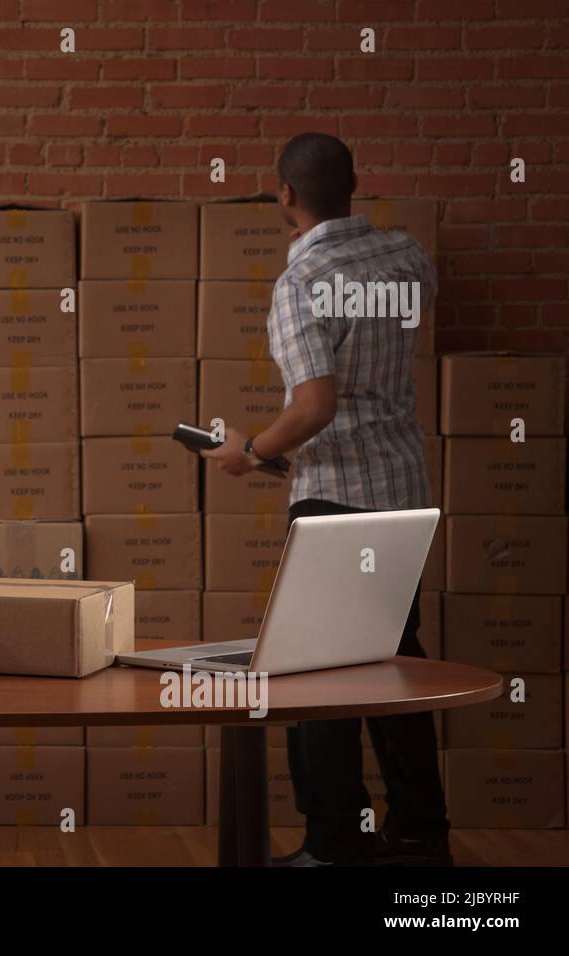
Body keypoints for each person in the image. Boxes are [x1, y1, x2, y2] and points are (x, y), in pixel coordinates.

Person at [201, 132, 450, 867]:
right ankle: (419, 835)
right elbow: (421, 298)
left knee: (315, 670)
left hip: (337, 500)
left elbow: (312, 406)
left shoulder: (301, 283)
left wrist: (251, 452)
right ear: (352, 186)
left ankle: (335, 842)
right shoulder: (403, 256)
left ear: (286, 194)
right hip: (403, 491)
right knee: (396, 662)